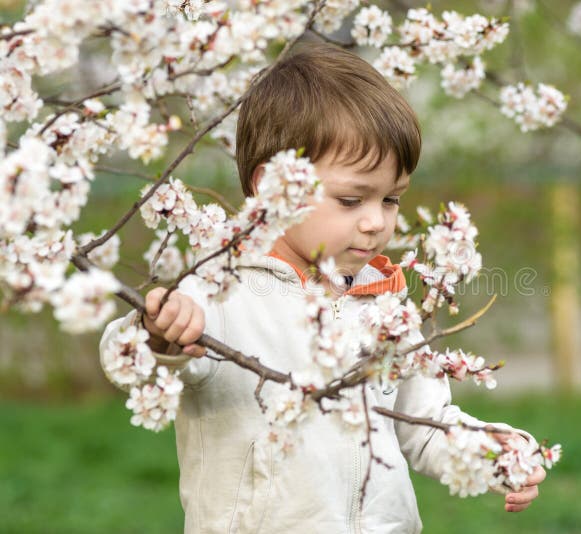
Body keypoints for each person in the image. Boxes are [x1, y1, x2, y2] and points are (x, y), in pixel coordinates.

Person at [99, 42, 546, 533]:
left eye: (392, 199)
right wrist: (158, 335)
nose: (377, 222)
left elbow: (426, 423)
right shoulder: (219, 294)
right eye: (352, 200)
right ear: (275, 187)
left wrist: (492, 454)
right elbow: (129, 365)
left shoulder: (385, 304)